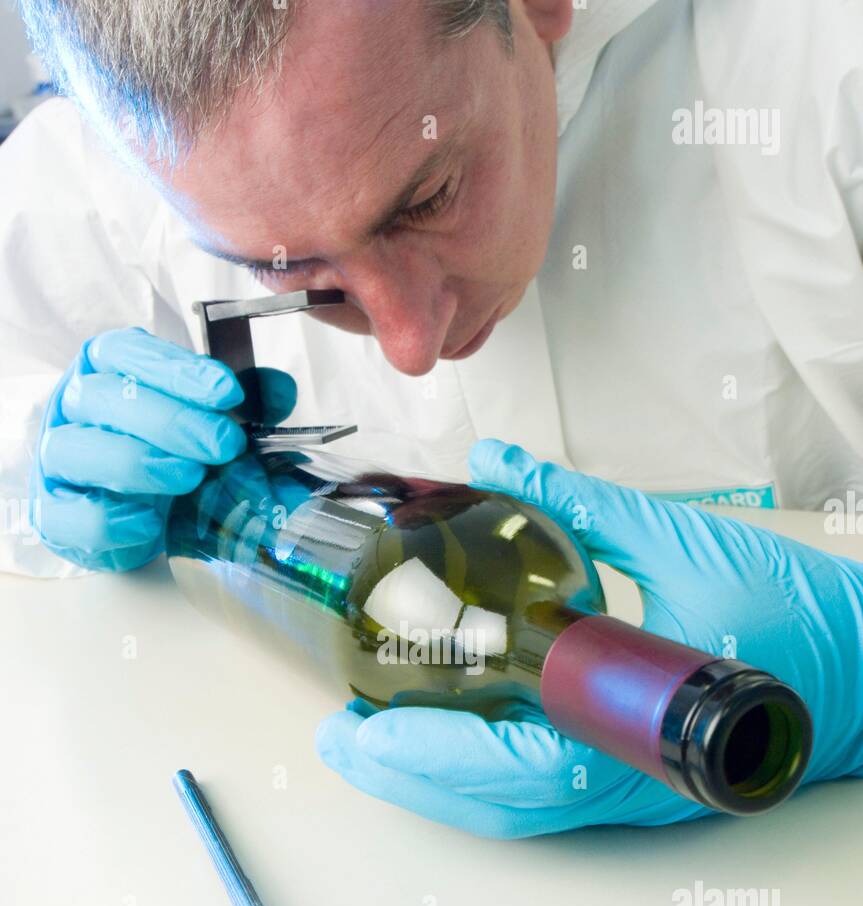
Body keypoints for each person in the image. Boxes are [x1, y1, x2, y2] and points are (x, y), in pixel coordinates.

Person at [1, 0, 862, 836]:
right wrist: (45, 454)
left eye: (430, 197)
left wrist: (853, 669)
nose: (411, 342)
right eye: (294, 270)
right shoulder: (105, 153)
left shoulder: (822, 66)